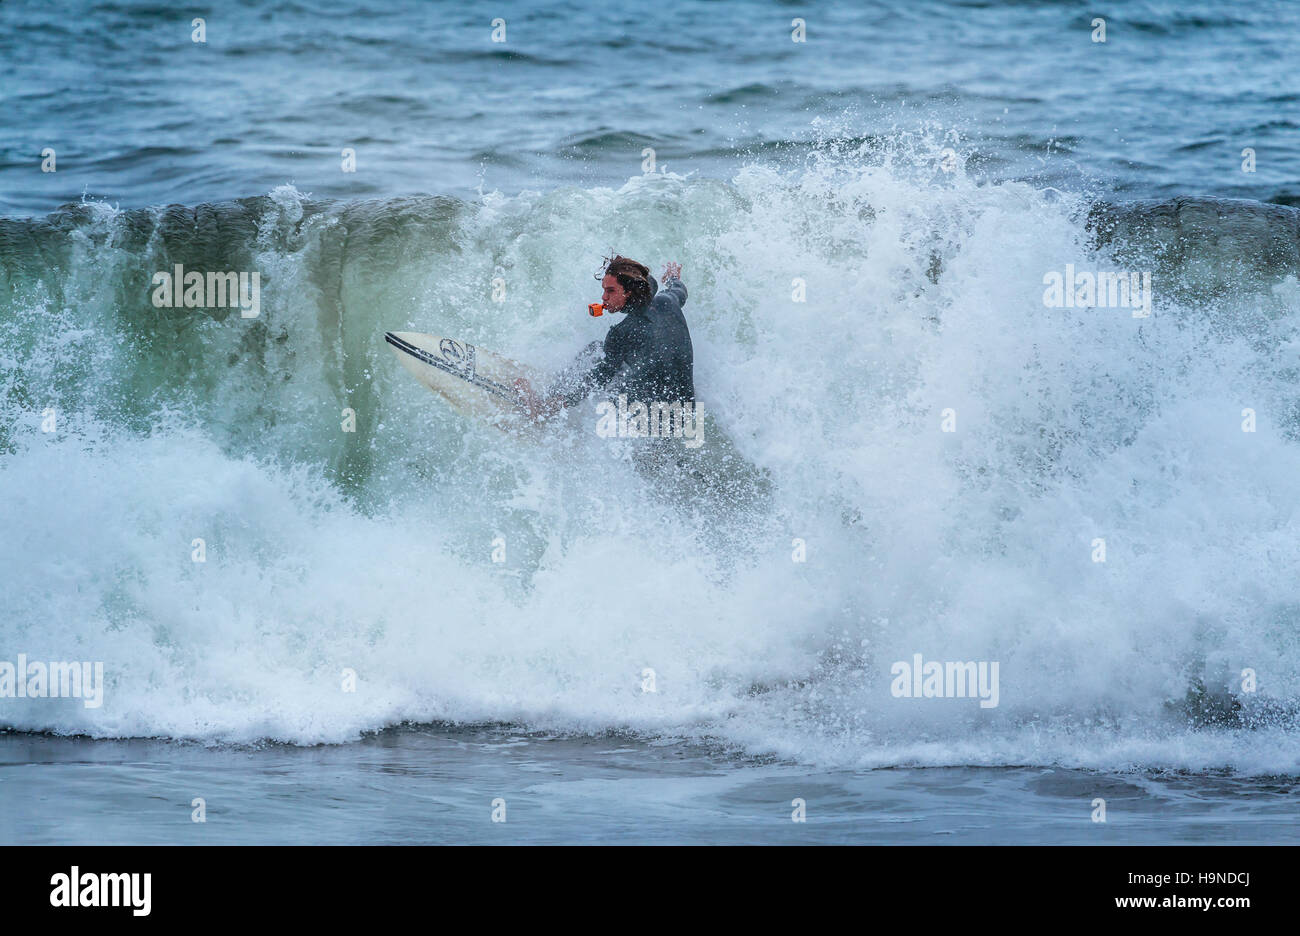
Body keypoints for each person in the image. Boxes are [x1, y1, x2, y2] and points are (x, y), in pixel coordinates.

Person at [519, 255, 694, 420]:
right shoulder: (668, 301)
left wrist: (566, 401)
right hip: (688, 411)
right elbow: (680, 289)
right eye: (604, 290)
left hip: (652, 418)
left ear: (630, 292)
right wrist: (672, 278)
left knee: (596, 354)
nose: (604, 297)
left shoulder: (621, 333)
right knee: (609, 355)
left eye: (610, 291)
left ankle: (546, 404)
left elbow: (600, 377)